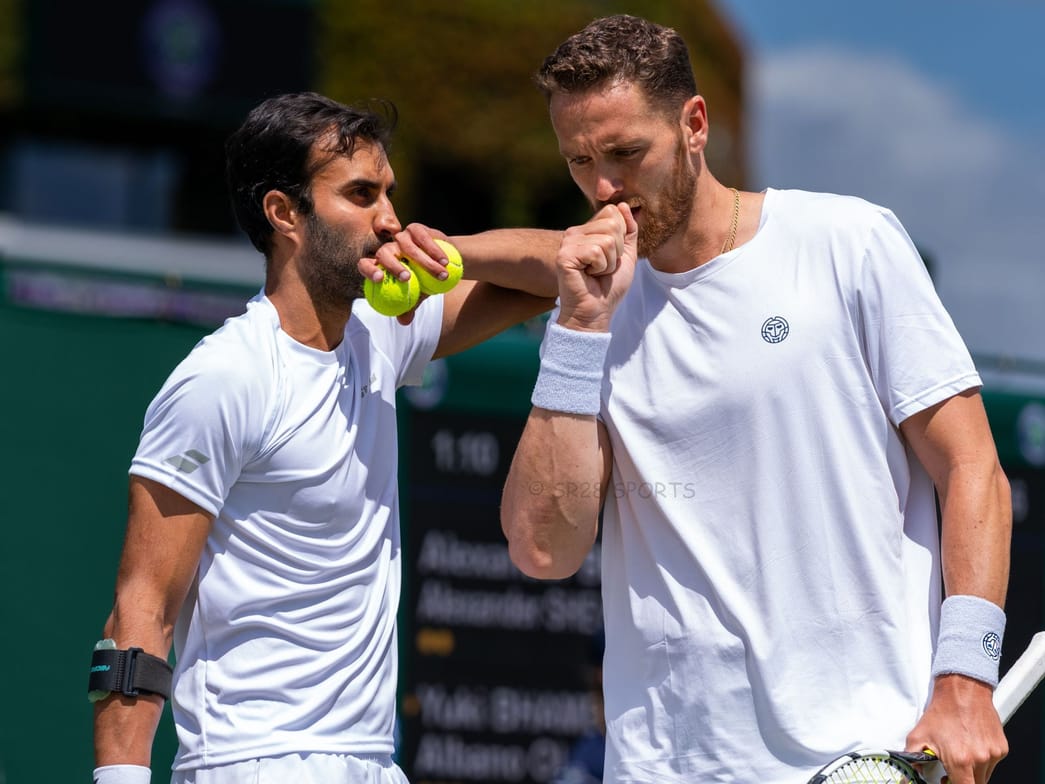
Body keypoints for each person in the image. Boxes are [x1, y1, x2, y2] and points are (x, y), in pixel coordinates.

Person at [500, 14, 1012, 784]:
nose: (603, 187)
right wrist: (577, 326)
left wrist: (965, 681)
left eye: (625, 153)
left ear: (694, 124)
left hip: (860, 748)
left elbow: (972, 468)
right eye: (579, 160)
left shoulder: (849, 241)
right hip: (659, 766)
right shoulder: (586, 315)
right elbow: (543, 549)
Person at [90, 91, 559, 784]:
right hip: (253, 761)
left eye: (389, 194)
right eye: (361, 195)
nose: (389, 219)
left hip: (370, 761)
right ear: (285, 214)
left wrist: (450, 252)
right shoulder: (224, 377)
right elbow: (143, 604)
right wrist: (120, 778)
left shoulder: (383, 337)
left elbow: (558, 271)